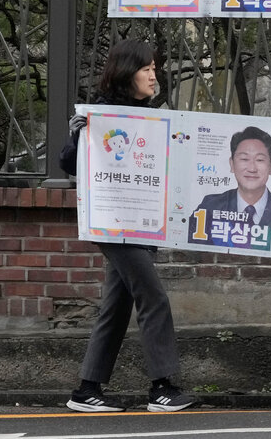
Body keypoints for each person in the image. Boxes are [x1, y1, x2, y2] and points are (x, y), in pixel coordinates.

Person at [58, 40, 195, 413]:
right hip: (112, 223)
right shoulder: (102, 114)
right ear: (125, 73)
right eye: (146, 69)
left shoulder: (149, 114)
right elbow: (69, 165)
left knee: (116, 306)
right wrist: (77, 136)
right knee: (153, 297)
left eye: (155, 68)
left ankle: (87, 389)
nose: (154, 75)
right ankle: (162, 387)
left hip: (142, 223)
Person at [190, 126, 271, 247]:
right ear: (232, 164)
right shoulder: (210, 206)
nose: (252, 168)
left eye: (260, 160)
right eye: (244, 159)